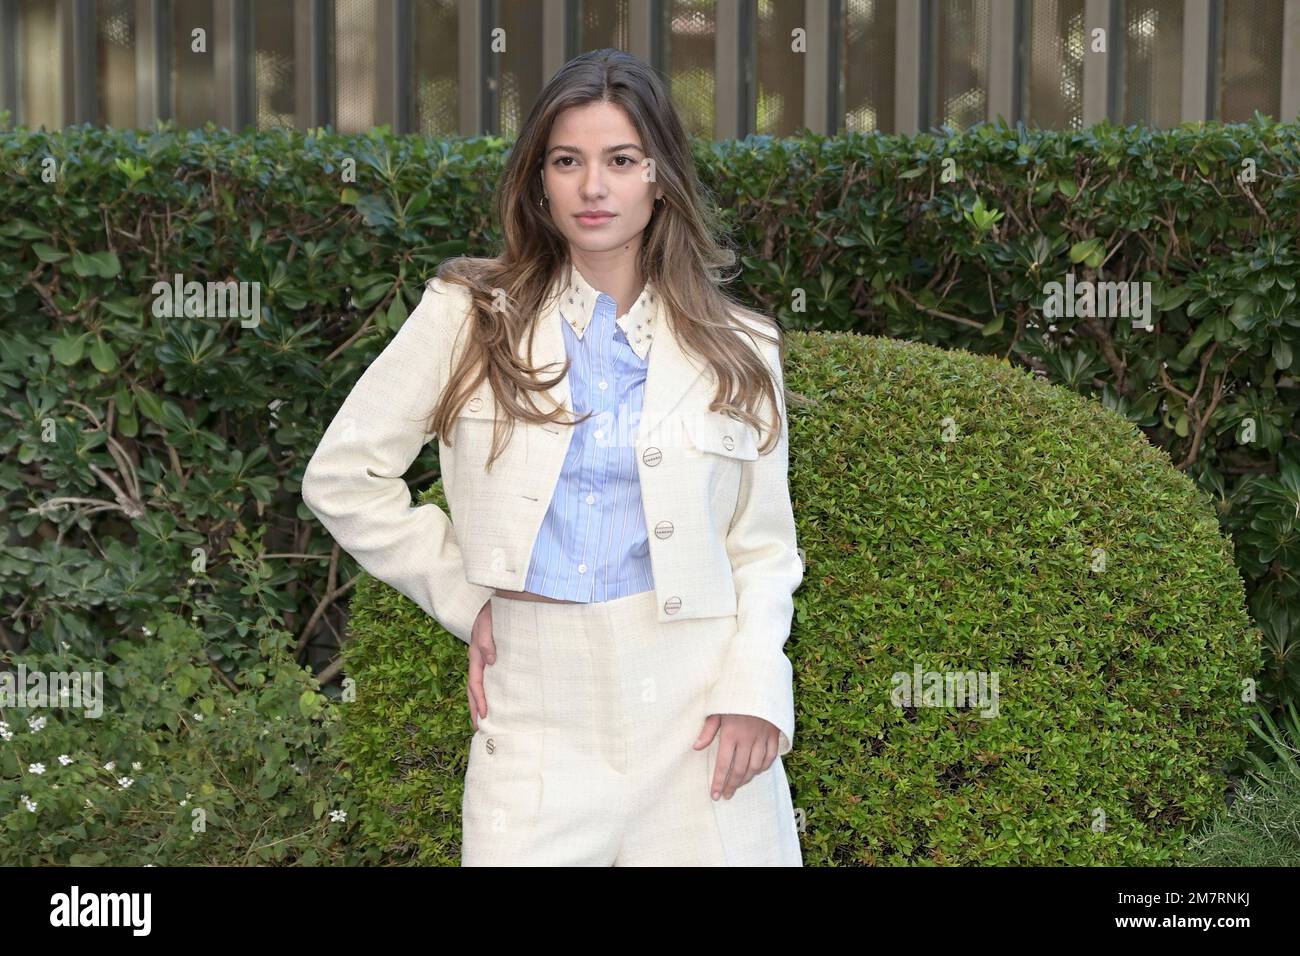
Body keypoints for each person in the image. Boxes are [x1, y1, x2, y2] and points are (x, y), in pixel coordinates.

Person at [301, 48, 804, 866]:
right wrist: (468, 595)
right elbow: (343, 476)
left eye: (621, 160)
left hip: (700, 710)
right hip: (538, 709)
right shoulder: (467, 316)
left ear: (661, 177)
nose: (593, 187)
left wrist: (755, 691)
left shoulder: (741, 346)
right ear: (539, 181)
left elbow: (762, 546)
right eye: (567, 161)